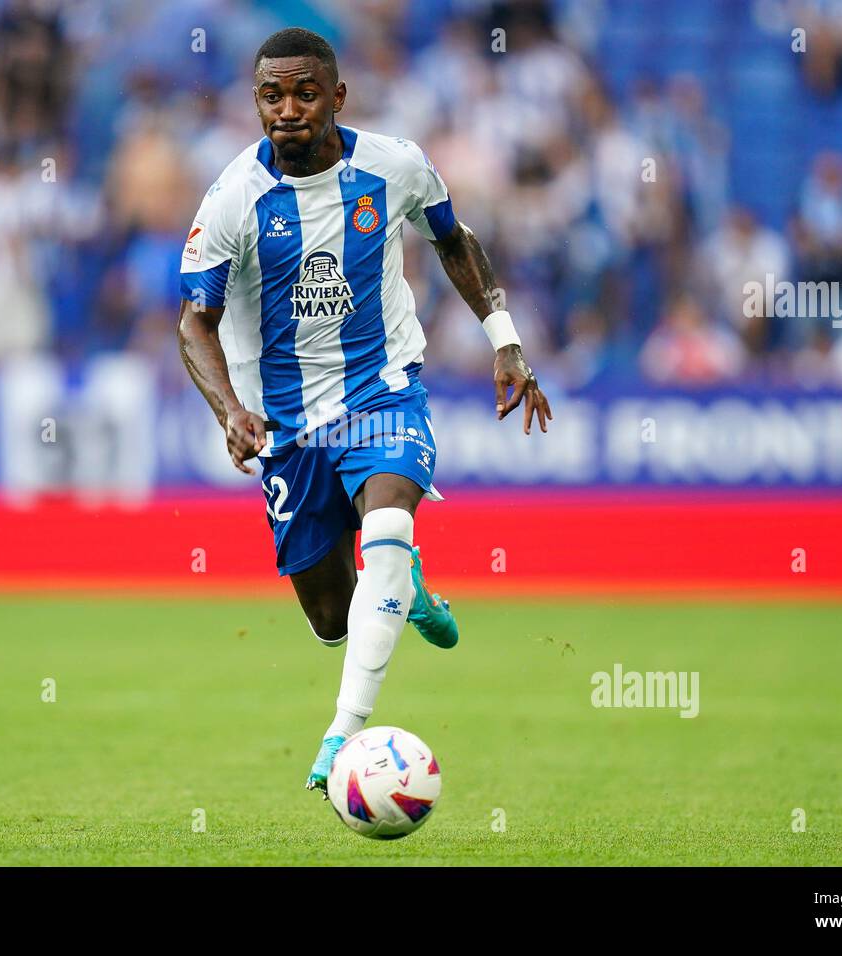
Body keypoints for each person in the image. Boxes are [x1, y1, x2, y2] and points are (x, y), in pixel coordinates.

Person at [177, 28, 553, 794]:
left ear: (336, 97)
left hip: (381, 391)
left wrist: (504, 340)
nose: (288, 109)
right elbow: (193, 324)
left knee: (386, 528)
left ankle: (341, 735)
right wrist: (229, 411)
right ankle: (403, 588)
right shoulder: (232, 201)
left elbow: (454, 239)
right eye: (271, 96)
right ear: (255, 102)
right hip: (285, 427)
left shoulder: (394, 165)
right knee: (330, 621)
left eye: (304, 93)